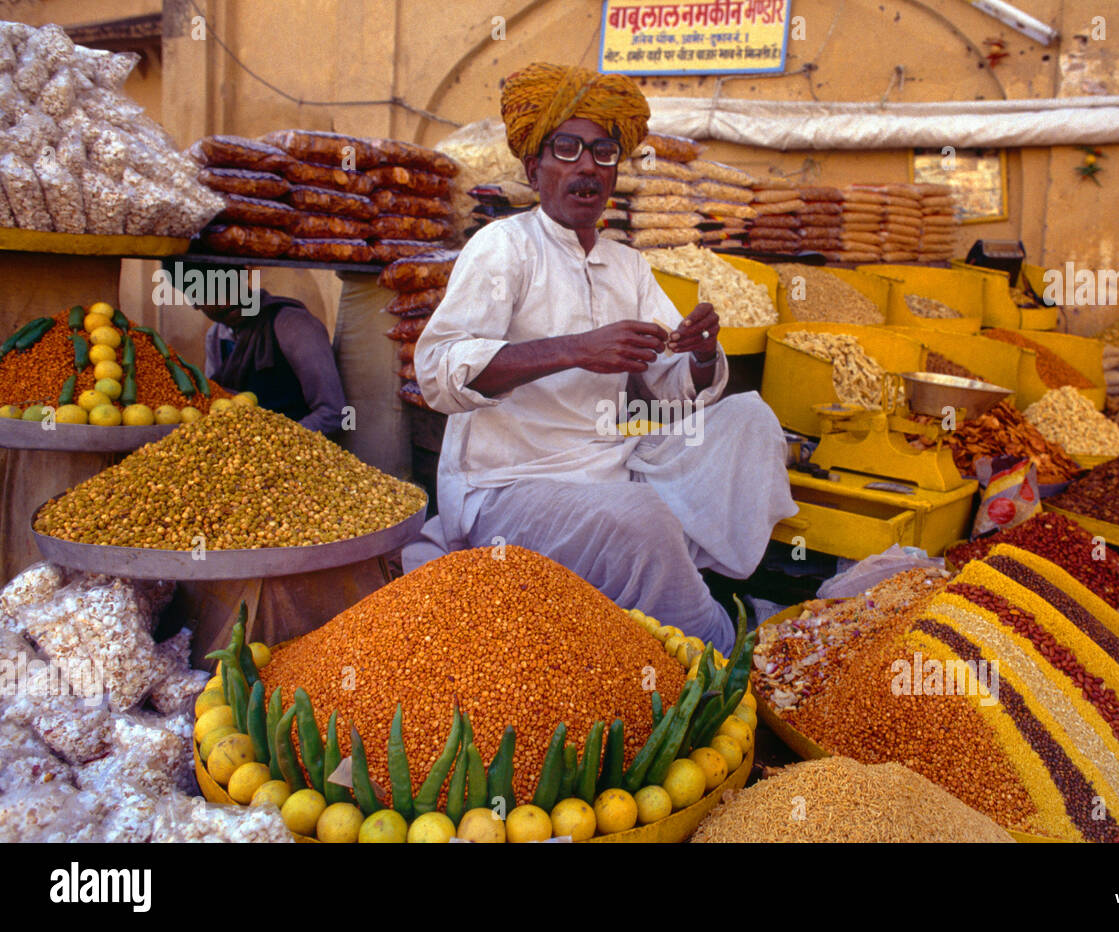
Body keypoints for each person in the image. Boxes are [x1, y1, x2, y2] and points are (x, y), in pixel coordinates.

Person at [403, 62, 796, 652]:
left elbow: (670, 386)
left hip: (613, 464)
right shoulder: (503, 247)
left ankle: (666, 582)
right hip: (510, 485)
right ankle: (721, 649)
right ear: (535, 168)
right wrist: (577, 351)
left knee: (752, 422)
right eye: (567, 149)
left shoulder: (626, 265)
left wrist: (701, 353)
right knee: (639, 520)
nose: (587, 165)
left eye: (604, 152)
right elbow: (438, 372)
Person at [171, 261, 346, 435]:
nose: (225, 302)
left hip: (299, 450)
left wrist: (277, 442)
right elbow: (217, 403)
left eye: (228, 287)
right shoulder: (216, 337)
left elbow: (332, 413)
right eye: (210, 295)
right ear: (195, 303)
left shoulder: (293, 325)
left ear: (243, 277)